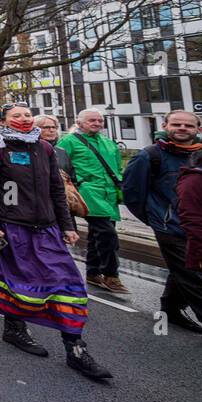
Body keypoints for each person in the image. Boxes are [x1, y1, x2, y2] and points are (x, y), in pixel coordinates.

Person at [0, 103, 110, 381]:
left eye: (27, 115)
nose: (24, 119)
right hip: (12, 230)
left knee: (69, 285)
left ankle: (75, 348)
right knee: (19, 284)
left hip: (47, 230)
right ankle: (14, 328)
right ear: (3, 120)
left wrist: (67, 225)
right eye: (17, 116)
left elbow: (56, 190)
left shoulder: (44, 148)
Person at [123, 110, 202, 335]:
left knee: (188, 270)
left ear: (198, 130)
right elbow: (132, 194)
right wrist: (155, 219)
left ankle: (171, 308)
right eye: (177, 124)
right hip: (170, 227)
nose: (182, 129)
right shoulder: (150, 155)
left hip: (199, 226)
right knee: (192, 277)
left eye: (188, 126)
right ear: (166, 125)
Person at [57, 109, 127, 294]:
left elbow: (117, 166)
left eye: (99, 120)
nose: (96, 123)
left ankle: (92, 271)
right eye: (91, 121)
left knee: (98, 234)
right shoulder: (68, 141)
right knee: (107, 234)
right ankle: (111, 275)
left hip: (109, 194)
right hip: (88, 193)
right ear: (79, 123)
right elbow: (61, 167)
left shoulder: (109, 143)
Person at [175, 132, 202, 345]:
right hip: (201, 241)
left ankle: (170, 307)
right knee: (188, 276)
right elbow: (193, 220)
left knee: (181, 274)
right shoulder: (197, 178)